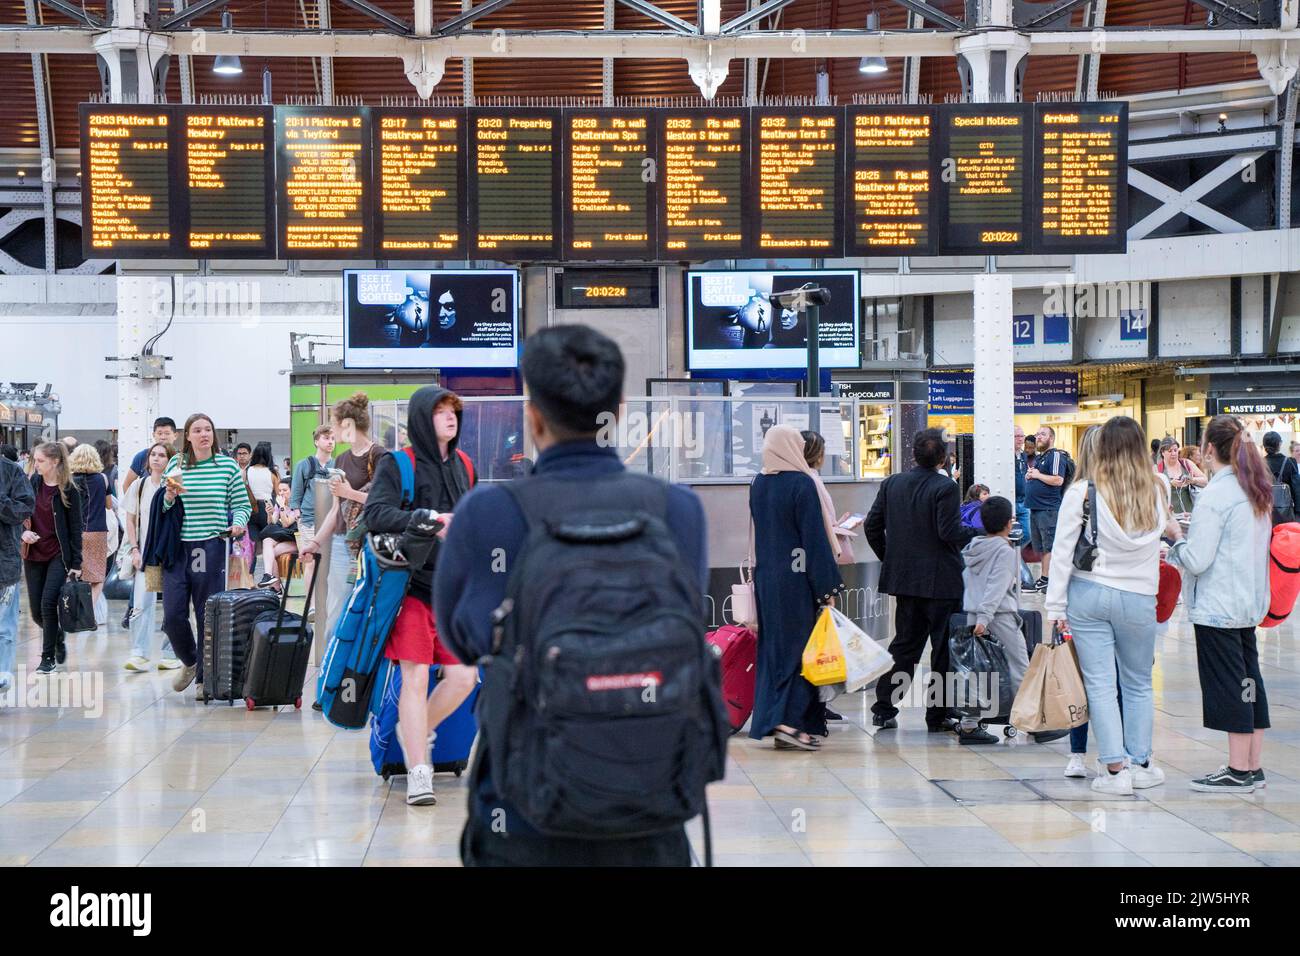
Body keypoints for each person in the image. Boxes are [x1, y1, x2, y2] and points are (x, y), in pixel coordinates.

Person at [435, 324, 708, 866]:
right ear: (621, 411)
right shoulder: (677, 510)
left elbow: (463, 641)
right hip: (650, 806)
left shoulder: (488, 512)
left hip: (523, 808)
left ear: (532, 415)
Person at [363, 387, 479, 806]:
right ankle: (418, 770)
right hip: (409, 586)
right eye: (441, 412)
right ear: (420, 419)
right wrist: (426, 519)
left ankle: (415, 731)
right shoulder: (398, 464)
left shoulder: (465, 465)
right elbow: (374, 515)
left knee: (465, 677)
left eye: (454, 411)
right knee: (414, 676)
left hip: (454, 591)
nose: (450, 418)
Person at [1045, 416, 1168, 795]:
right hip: (1139, 596)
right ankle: (1141, 762)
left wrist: (1054, 607)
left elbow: (1063, 553)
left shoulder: (1082, 491)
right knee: (1138, 683)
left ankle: (1115, 771)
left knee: (1099, 684)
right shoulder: (1158, 488)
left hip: (1090, 593)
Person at [1164, 415, 1273, 792]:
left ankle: (1237, 769)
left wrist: (1176, 538)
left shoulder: (1215, 496)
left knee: (1230, 687)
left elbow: (1197, 560)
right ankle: (1253, 766)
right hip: (1247, 604)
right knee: (1248, 683)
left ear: (1209, 448)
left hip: (1217, 606)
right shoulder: (1255, 489)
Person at [865, 428, 987, 741]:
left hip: (904, 580)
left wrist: (890, 556)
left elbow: (872, 525)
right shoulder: (945, 487)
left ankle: (884, 707)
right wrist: (978, 533)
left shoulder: (892, 483)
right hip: (942, 582)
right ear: (944, 458)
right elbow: (948, 532)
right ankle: (939, 714)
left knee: (904, 646)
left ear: (913, 454)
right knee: (943, 649)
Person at [747, 425, 846, 751]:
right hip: (796, 582)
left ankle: (775, 718)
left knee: (775, 651)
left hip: (767, 578)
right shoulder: (801, 485)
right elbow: (813, 540)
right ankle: (790, 723)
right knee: (802, 651)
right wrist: (827, 587)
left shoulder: (759, 483)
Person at [160, 413, 251, 694]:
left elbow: (242, 504)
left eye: (208, 429)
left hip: (210, 545)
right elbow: (164, 506)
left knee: (206, 613)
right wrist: (169, 497)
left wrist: (238, 523)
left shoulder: (227, 467)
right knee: (173, 615)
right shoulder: (176, 464)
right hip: (178, 547)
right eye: (197, 430)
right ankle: (189, 660)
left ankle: (203, 678)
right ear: (187, 436)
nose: (203, 434)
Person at [299, 393, 386, 647]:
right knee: (337, 611)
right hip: (341, 544)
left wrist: (349, 493)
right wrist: (314, 543)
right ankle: (333, 667)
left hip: (370, 545)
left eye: (335, 425)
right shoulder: (341, 459)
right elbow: (335, 510)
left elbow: (385, 502)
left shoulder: (380, 455)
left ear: (347, 424)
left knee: (370, 609)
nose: (333, 432)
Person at [23, 443, 82, 674]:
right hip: (33, 554)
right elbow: (21, 514)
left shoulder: (69, 490)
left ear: (55, 461)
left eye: (40, 461)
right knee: (36, 611)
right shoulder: (32, 484)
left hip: (58, 555)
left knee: (48, 604)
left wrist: (77, 563)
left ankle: (47, 657)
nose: (35, 465)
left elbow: (76, 528)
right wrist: (23, 533)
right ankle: (57, 635)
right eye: (35, 460)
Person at [122, 441, 181, 672]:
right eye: (153, 455)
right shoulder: (139, 485)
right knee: (141, 604)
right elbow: (130, 519)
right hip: (146, 555)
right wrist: (134, 549)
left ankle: (171, 652)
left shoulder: (175, 485)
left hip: (171, 554)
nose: (157, 459)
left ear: (170, 460)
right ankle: (139, 653)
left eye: (162, 455)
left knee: (173, 606)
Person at [960, 495, 1029, 694]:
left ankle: (969, 720)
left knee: (975, 668)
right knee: (1020, 666)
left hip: (973, 614)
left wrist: (979, 617)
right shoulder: (1005, 552)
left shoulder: (973, 547)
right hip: (999, 615)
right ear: (1010, 523)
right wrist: (985, 617)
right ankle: (1024, 715)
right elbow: (996, 587)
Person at [0, 445, 35, 691]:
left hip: (4, 560)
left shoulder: (11, 472)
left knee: (4, 624)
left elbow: (24, 508)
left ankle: (2, 675)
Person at [68, 443, 112, 616]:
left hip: (74, 532)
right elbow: (109, 505)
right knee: (97, 577)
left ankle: (70, 609)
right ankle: (88, 611)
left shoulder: (69, 480)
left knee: (75, 572)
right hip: (97, 531)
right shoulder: (103, 479)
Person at [1025, 425, 1069, 592]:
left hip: (1048, 509)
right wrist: (1031, 476)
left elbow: (1058, 480)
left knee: (1049, 545)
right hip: (1036, 509)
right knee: (1042, 547)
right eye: (1037, 434)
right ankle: (1045, 578)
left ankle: (1047, 578)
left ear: (1051, 438)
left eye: (1043, 434)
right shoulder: (1040, 458)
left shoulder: (1056, 455)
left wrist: (1037, 475)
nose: (1038, 437)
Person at [290, 425, 335, 546]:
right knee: (311, 559)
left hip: (332, 522)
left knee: (327, 562)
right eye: (326, 438)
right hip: (309, 521)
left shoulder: (338, 465)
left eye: (333, 438)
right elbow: (296, 493)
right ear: (316, 442)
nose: (330, 441)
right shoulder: (304, 465)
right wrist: (298, 515)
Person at [246, 444, 279, 586]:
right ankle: (273, 582)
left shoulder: (247, 470)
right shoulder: (273, 473)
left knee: (252, 545)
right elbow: (278, 494)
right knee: (269, 545)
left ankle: (250, 580)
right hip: (268, 507)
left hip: (252, 508)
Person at [257, 481, 300, 591]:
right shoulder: (279, 504)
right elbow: (272, 523)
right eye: (279, 490)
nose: (281, 493)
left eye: (285, 490)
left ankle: (275, 588)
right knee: (267, 541)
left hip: (296, 540)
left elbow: (286, 524)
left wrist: (282, 507)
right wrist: (269, 513)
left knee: (271, 554)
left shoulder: (297, 505)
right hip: (284, 537)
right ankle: (268, 575)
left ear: (292, 491)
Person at [1156, 437, 1207, 517]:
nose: (1173, 453)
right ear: (1162, 452)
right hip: (1169, 516)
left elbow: (1205, 481)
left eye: (1175, 450)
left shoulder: (1186, 464)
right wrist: (1170, 483)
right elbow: (1152, 490)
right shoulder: (1157, 469)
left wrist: (1192, 480)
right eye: (1170, 451)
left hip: (1189, 513)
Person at [124, 417, 178, 493]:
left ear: (175, 435)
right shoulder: (142, 456)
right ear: (153, 435)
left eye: (167, 433)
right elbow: (127, 484)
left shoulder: (181, 458)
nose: (163, 437)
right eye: (159, 433)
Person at [1262, 430, 1300, 517]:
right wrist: (1297, 513)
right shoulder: (1289, 462)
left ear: (1264, 445)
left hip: (1266, 510)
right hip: (1286, 510)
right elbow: (1297, 488)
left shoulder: (1259, 463)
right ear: (1279, 444)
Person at [1014, 427, 1032, 545]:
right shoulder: (1004, 455)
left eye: (1022, 436)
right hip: (1012, 501)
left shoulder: (1024, 455)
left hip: (1023, 502)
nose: (1020, 439)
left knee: (1027, 534)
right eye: (1017, 436)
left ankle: (1015, 556)